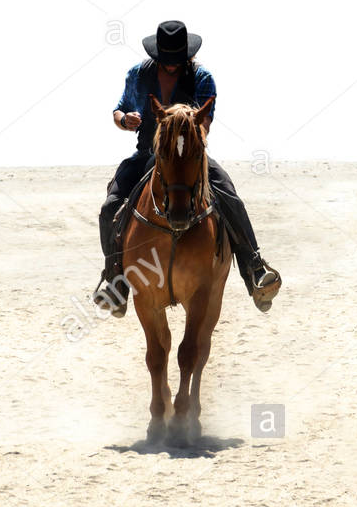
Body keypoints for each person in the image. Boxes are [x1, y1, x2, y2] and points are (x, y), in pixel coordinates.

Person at [96, 20, 281, 314]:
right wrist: (124, 119)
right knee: (111, 206)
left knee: (229, 196)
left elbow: (204, 124)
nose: (171, 67)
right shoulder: (138, 75)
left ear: (186, 56)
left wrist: (187, 131)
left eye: (176, 62)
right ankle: (114, 280)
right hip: (148, 152)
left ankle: (254, 267)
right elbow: (118, 109)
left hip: (189, 156)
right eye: (165, 61)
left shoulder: (202, 77)